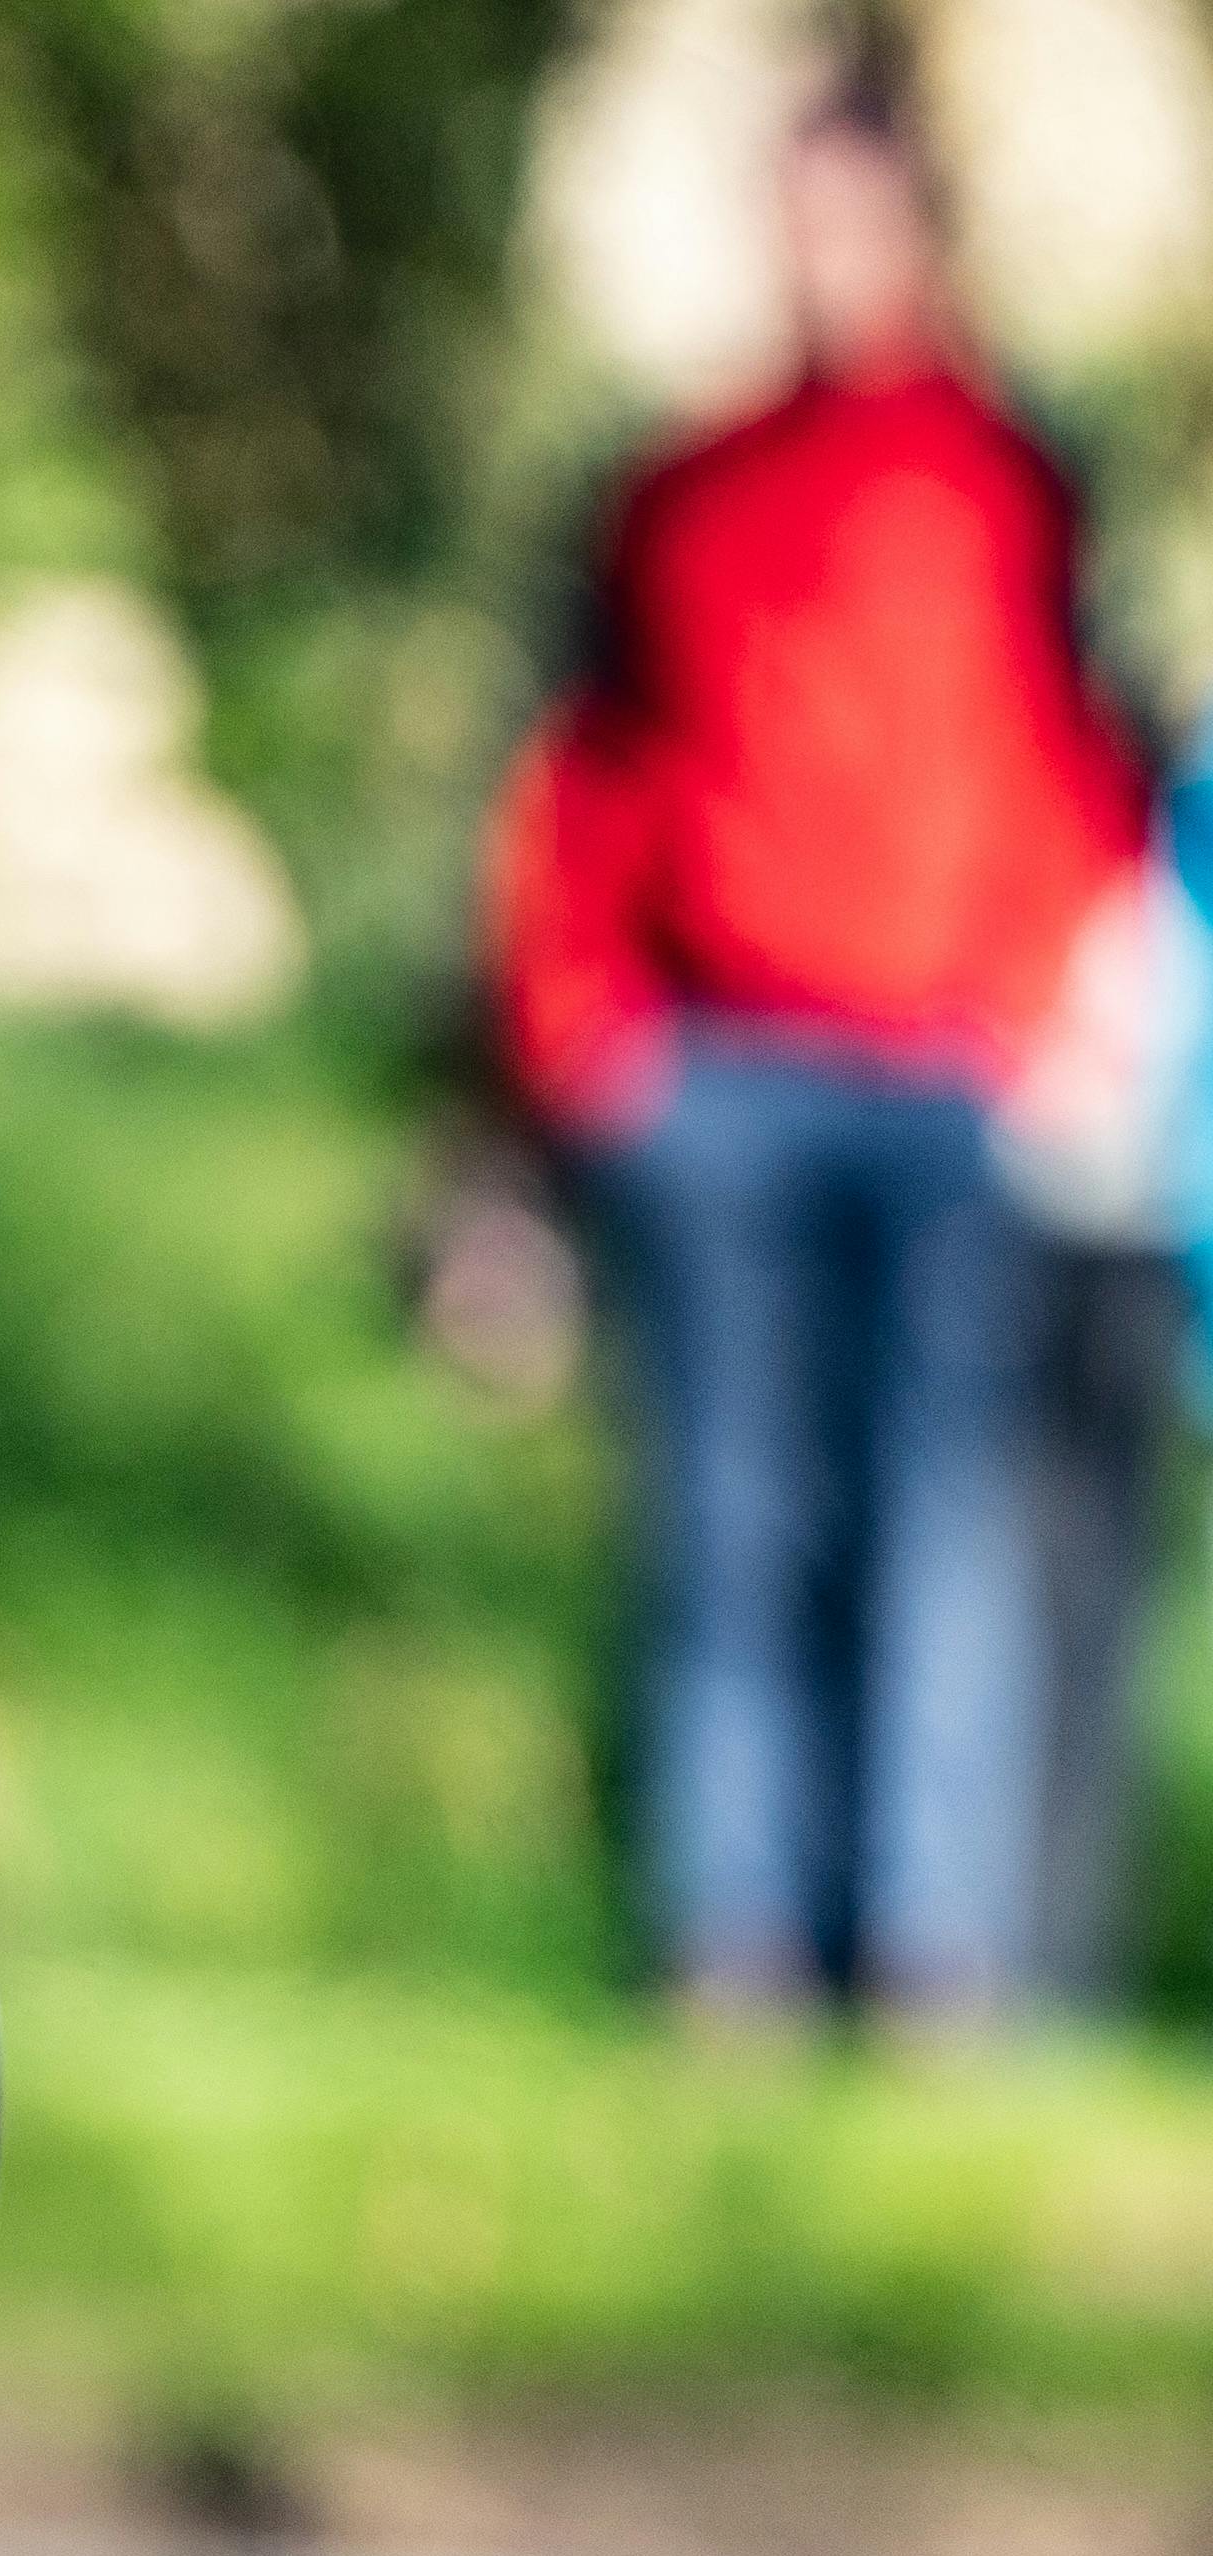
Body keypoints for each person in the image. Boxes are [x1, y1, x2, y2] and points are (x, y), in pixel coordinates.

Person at [487, 35, 1156, 2035]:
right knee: (729, 1521)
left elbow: (1084, 768)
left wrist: (1048, 1005)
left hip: (946, 1080)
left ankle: (935, 1961)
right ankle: (737, 1949)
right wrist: (578, 1034)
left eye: (842, 214)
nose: (809, 254)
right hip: (717, 1081)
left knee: (941, 1537)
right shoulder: (674, 495)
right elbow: (583, 782)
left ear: (918, 227)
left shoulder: (1019, 484)